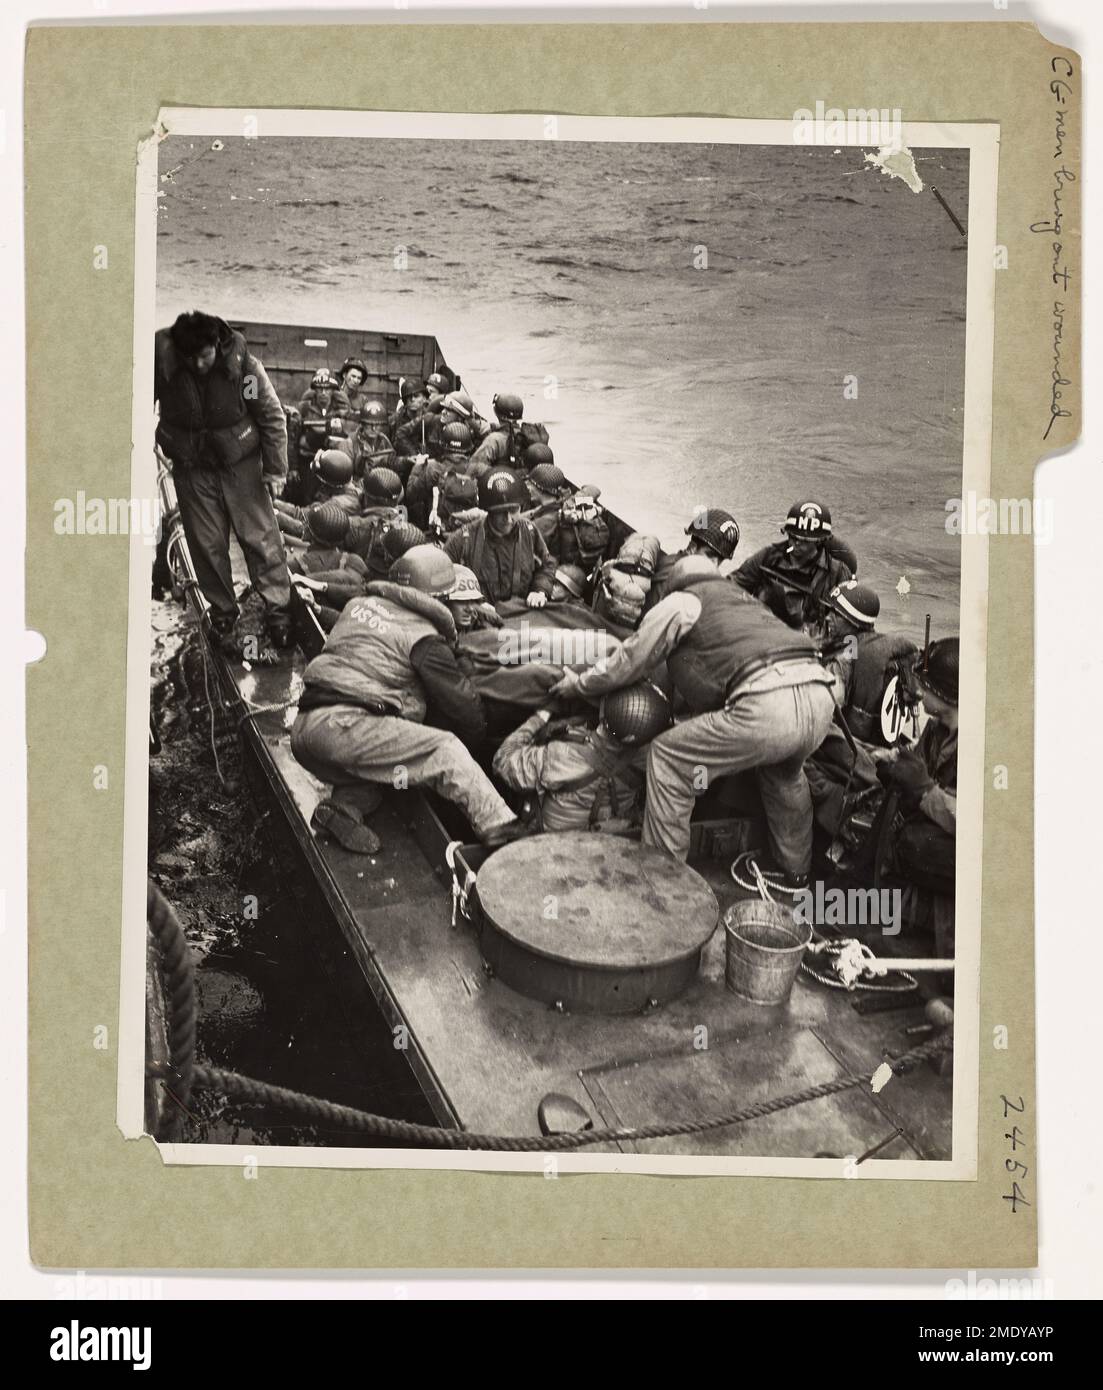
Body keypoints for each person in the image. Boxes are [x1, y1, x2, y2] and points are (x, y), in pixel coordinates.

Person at [552, 551, 836, 877]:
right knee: (784, 776)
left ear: (676, 582)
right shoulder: (745, 601)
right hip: (819, 697)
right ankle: (796, 873)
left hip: (766, 705)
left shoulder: (683, 602)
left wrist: (581, 684)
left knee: (669, 758)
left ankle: (664, 878)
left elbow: (631, 659)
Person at [290, 546, 528, 853]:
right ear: (440, 597)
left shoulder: (359, 605)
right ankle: (503, 830)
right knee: (445, 750)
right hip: (347, 727)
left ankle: (343, 809)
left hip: (308, 732)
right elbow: (466, 711)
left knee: (387, 772)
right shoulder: (424, 638)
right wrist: (477, 744)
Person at [154, 310, 293, 652]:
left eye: (205, 356)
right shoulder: (162, 367)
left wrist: (276, 470)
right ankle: (223, 612)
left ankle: (279, 612)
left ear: (217, 345)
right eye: (192, 358)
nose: (200, 365)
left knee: (260, 538)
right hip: (193, 467)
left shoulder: (243, 370)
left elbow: (270, 415)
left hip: (241, 464)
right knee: (206, 543)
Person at [493, 681, 671, 833]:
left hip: (553, 840)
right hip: (612, 834)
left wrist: (538, 719)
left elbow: (503, 763)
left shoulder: (563, 753)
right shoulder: (653, 755)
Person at [878, 637, 958, 956]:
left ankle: (948, 944)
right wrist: (889, 763)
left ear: (947, 695)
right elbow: (916, 761)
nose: (919, 690)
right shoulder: (938, 727)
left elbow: (980, 827)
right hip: (939, 831)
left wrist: (925, 791)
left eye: (926, 684)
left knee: (915, 844)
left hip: (975, 853)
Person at [820, 581, 918, 744]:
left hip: (852, 745)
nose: (827, 617)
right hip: (883, 741)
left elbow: (826, 712)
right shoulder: (884, 649)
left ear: (852, 621)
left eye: (835, 614)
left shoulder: (844, 658)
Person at [443, 467, 557, 606]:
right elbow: (443, 579)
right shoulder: (462, 539)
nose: (509, 519)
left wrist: (540, 590)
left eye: (514, 510)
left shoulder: (529, 531)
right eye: (501, 512)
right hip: (479, 617)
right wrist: (472, 603)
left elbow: (546, 564)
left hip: (519, 613)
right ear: (488, 511)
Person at [734, 499, 852, 632]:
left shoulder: (837, 573)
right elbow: (731, 587)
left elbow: (847, 622)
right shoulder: (768, 557)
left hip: (809, 643)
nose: (795, 543)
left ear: (819, 541)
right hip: (763, 631)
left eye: (804, 541)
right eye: (792, 537)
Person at [470, 392, 549, 473]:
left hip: (501, 481)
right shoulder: (527, 435)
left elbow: (474, 467)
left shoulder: (494, 439)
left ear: (496, 412)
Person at [341, 399, 396, 478]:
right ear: (362, 424)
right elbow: (345, 473)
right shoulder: (350, 442)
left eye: (377, 425)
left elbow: (391, 462)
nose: (374, 428)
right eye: (369, 424)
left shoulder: (383, 440)